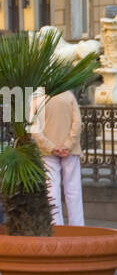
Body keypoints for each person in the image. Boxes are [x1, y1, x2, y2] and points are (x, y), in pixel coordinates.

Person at [29, 88, 84, 227]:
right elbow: (77, 123)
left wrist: (51, 147)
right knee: (74, 190)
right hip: (70, 151)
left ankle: (56, 226)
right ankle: (77, 227)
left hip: (47, 152)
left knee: (51, 190)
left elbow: (33, 128)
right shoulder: (69, 95)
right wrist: (68, 145)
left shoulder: (37, 97)